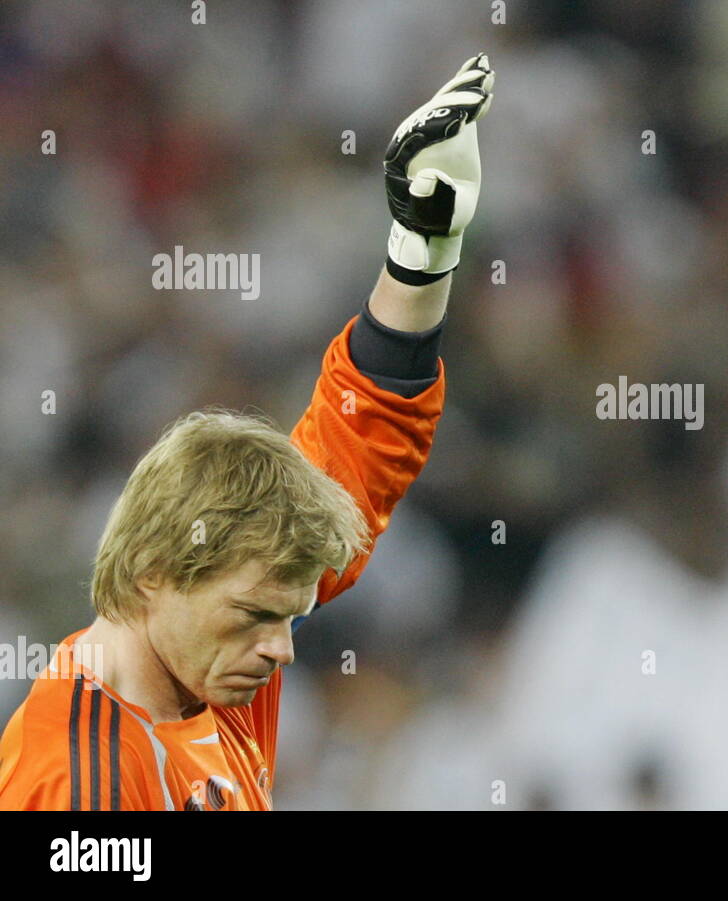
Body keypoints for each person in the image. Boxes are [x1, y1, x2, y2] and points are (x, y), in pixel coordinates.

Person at [0, 53, 495, 811]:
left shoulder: (207, 653)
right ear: (149, 575)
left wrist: (421, 251)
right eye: (258, 617)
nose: (282, 648)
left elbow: (358, 450)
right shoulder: (80, 778)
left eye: (289, 615)